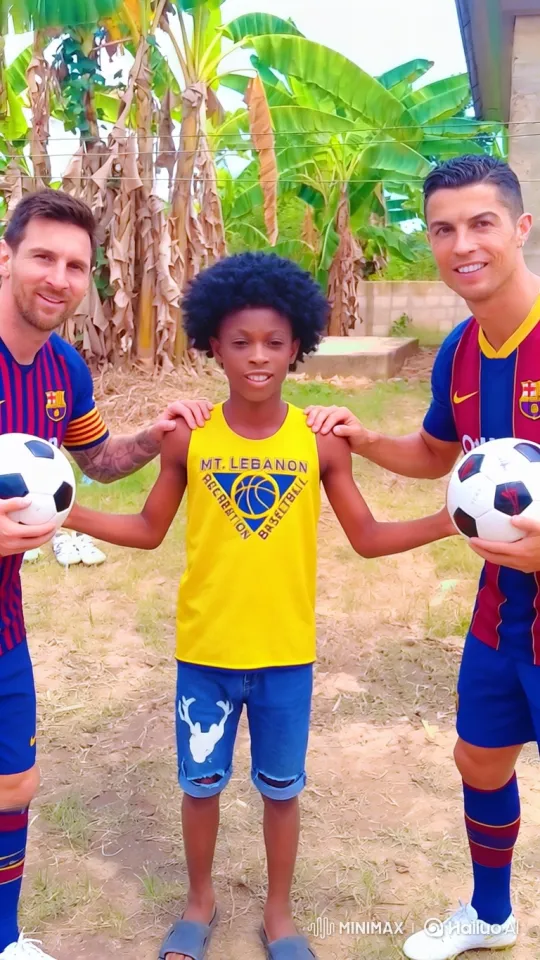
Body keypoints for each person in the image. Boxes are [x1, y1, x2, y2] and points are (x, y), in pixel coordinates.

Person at [65, 251, 454, 960]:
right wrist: (66, 511)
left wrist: (450, 519)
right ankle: (199, 902)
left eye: (275, 342)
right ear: (212, 342)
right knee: (201, 786)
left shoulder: (319, 441)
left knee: (281, 791)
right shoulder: (189, 435)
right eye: (240, 342)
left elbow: (366, 537)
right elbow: (148, 531)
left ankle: (279, 914)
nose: (258, 358)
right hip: (205, 656)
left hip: (285, 657)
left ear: (299, 346)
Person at [305, 154, 540, 960]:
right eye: (443, 229)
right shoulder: (461, 354)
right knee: (478, 757)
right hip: (501, 611)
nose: (462, 244)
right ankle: (490, 912)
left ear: (520, 227)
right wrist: (368, 441)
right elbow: (442, 454)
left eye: (481, 223)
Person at [0, 188, 209, 960]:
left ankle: (4, 936)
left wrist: (156, 437)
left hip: (4, 617)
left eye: (77, 266)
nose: (59, 277)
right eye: (43, 257)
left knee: (13, 786)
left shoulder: (62, 369)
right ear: (6, 255)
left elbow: (96, 461)